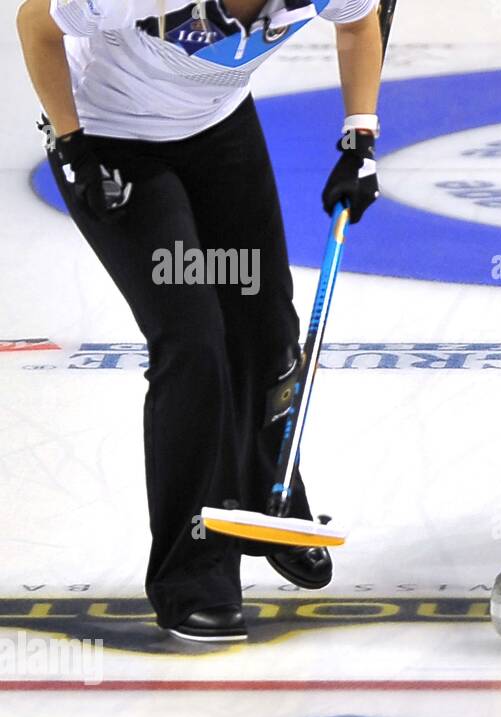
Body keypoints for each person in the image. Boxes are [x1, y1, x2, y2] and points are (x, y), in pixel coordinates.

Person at [16, 0, 386, 642]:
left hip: (218, 132)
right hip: (114, 142)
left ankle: (264, 489)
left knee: (265, 330)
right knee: (193, 343)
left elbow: (359, 22)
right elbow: (35, 24)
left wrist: (361, 137)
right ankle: (193, 568)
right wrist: (73, 146)